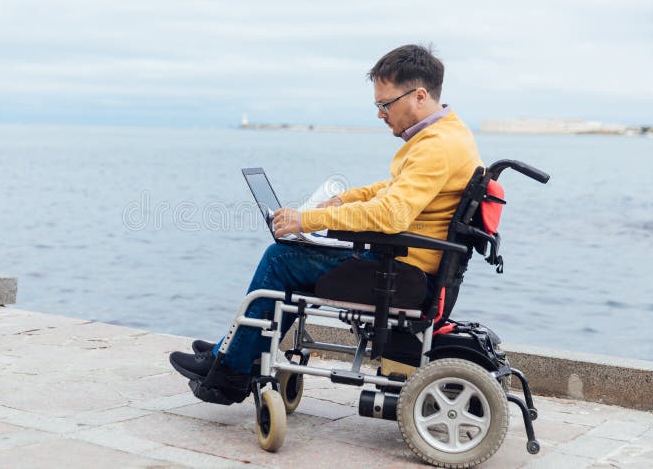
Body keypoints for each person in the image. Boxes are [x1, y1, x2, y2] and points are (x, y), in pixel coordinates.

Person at [169, 44, 484, 402]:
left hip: (404, 277)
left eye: (386, 104)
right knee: (292, 253)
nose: (380, 114)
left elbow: (391, 213)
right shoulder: (448, 135)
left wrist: (308, 219)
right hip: (408, 266)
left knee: (281, 258)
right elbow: (393, 188)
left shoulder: (436, 146)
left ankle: (230, 373)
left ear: (420, 96)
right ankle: (237, 350)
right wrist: (348, 198)